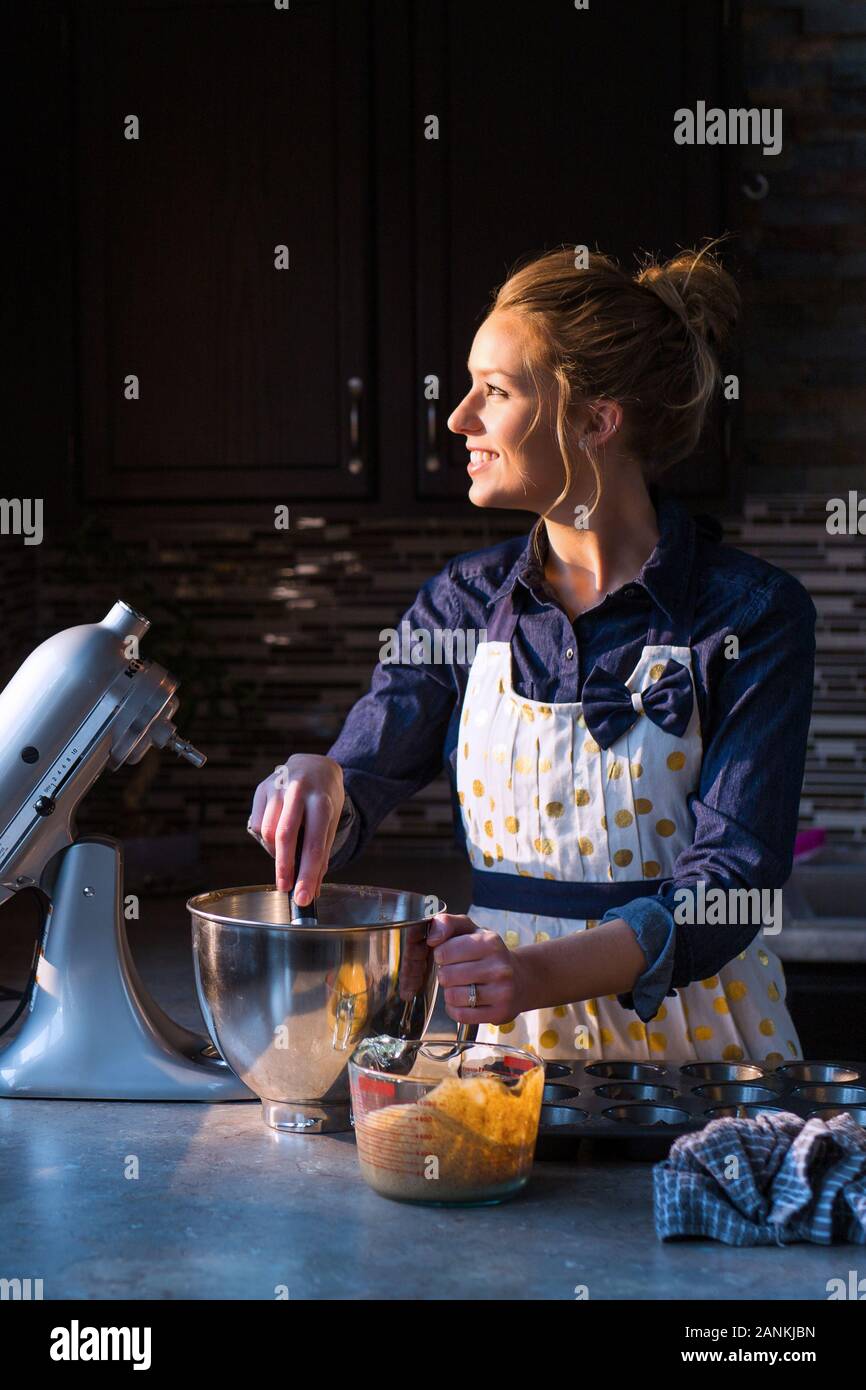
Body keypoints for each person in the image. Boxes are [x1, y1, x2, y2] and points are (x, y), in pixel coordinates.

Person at [249, 241, 816, 1065]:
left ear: (596, 420)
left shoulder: (756, 615)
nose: (458, 419)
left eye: (497, 392)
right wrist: (317, 783)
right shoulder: (461, 603)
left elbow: (733, 886)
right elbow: (358, 779)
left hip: (707, 1063)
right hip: (512, 1061)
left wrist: (533, 974)